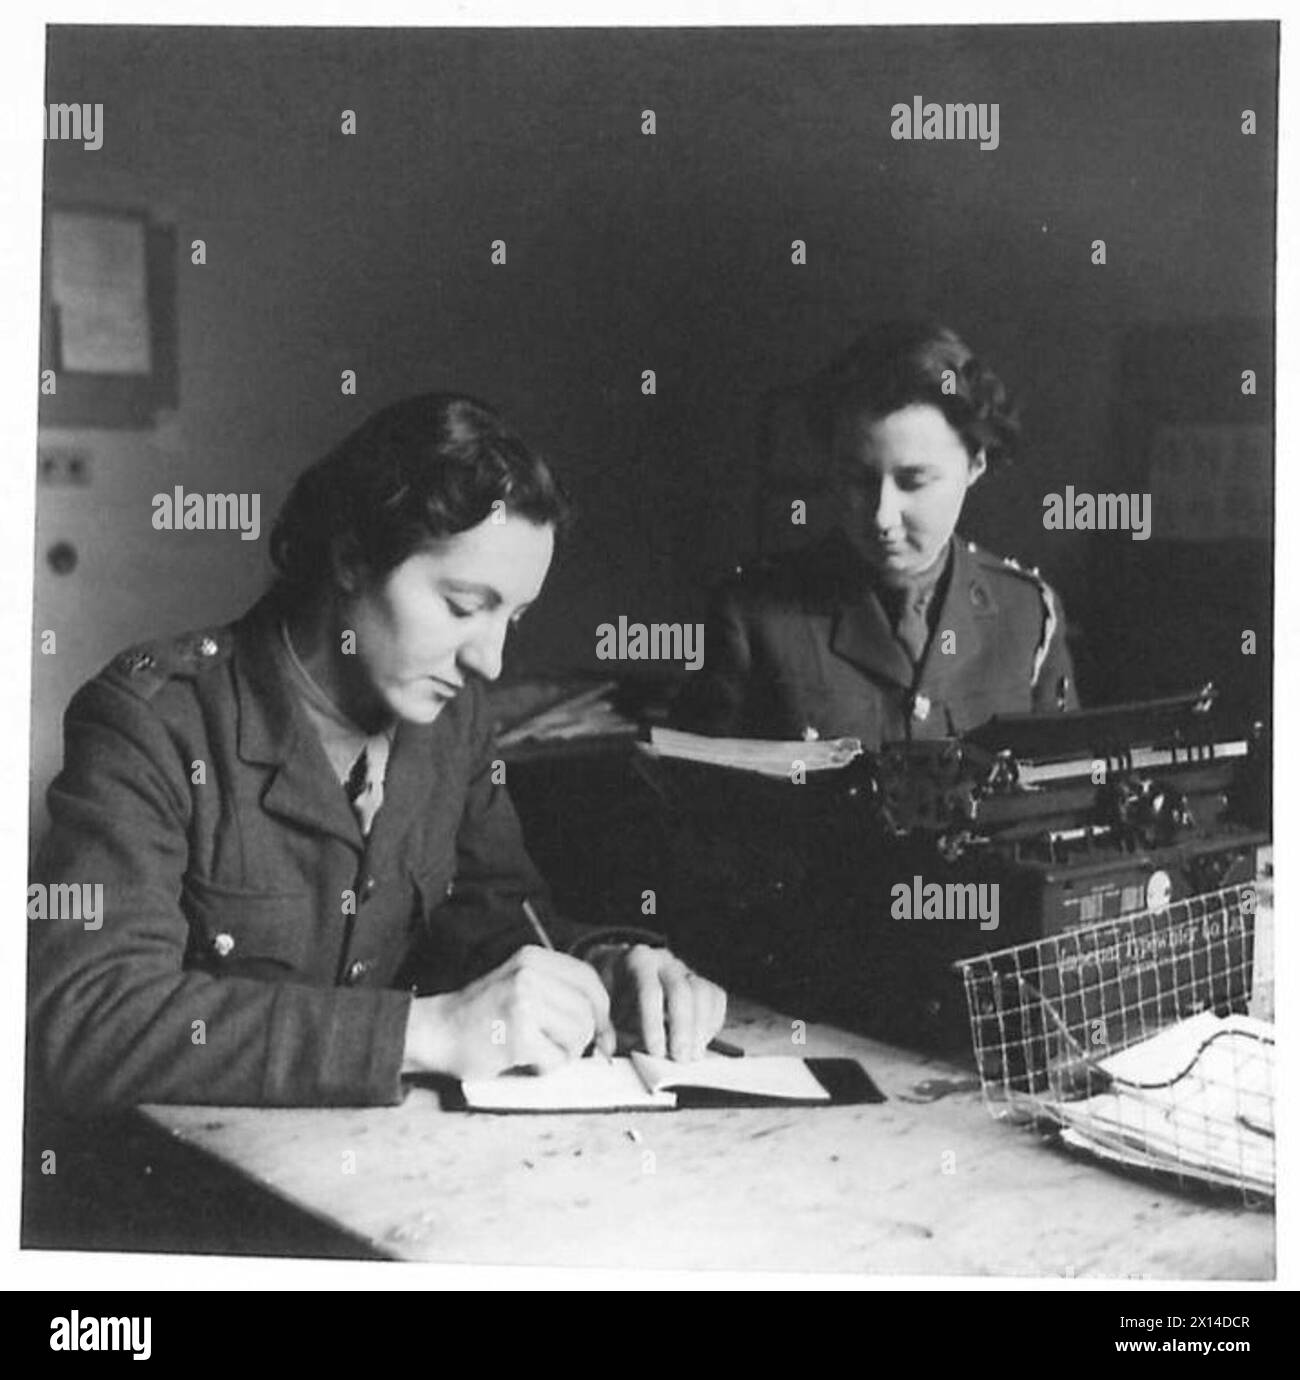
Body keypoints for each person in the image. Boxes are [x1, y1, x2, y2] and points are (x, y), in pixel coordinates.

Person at [28, 393, 726, 1110]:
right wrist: (420, 1033)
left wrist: (602, 969)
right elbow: (85, 1017)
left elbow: (496, 920)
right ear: (352, 559)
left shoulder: (451, 722)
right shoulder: (158, 720)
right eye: (463, 607)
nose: (489, 660)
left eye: (513, 618)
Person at [673, 320, 1080, 746]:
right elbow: (698, 800)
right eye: (857, 479)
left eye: (913, 481)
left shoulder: (1029, 615)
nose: (882, 516)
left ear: (975, 465)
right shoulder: (752, 616)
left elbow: (1060, 797)